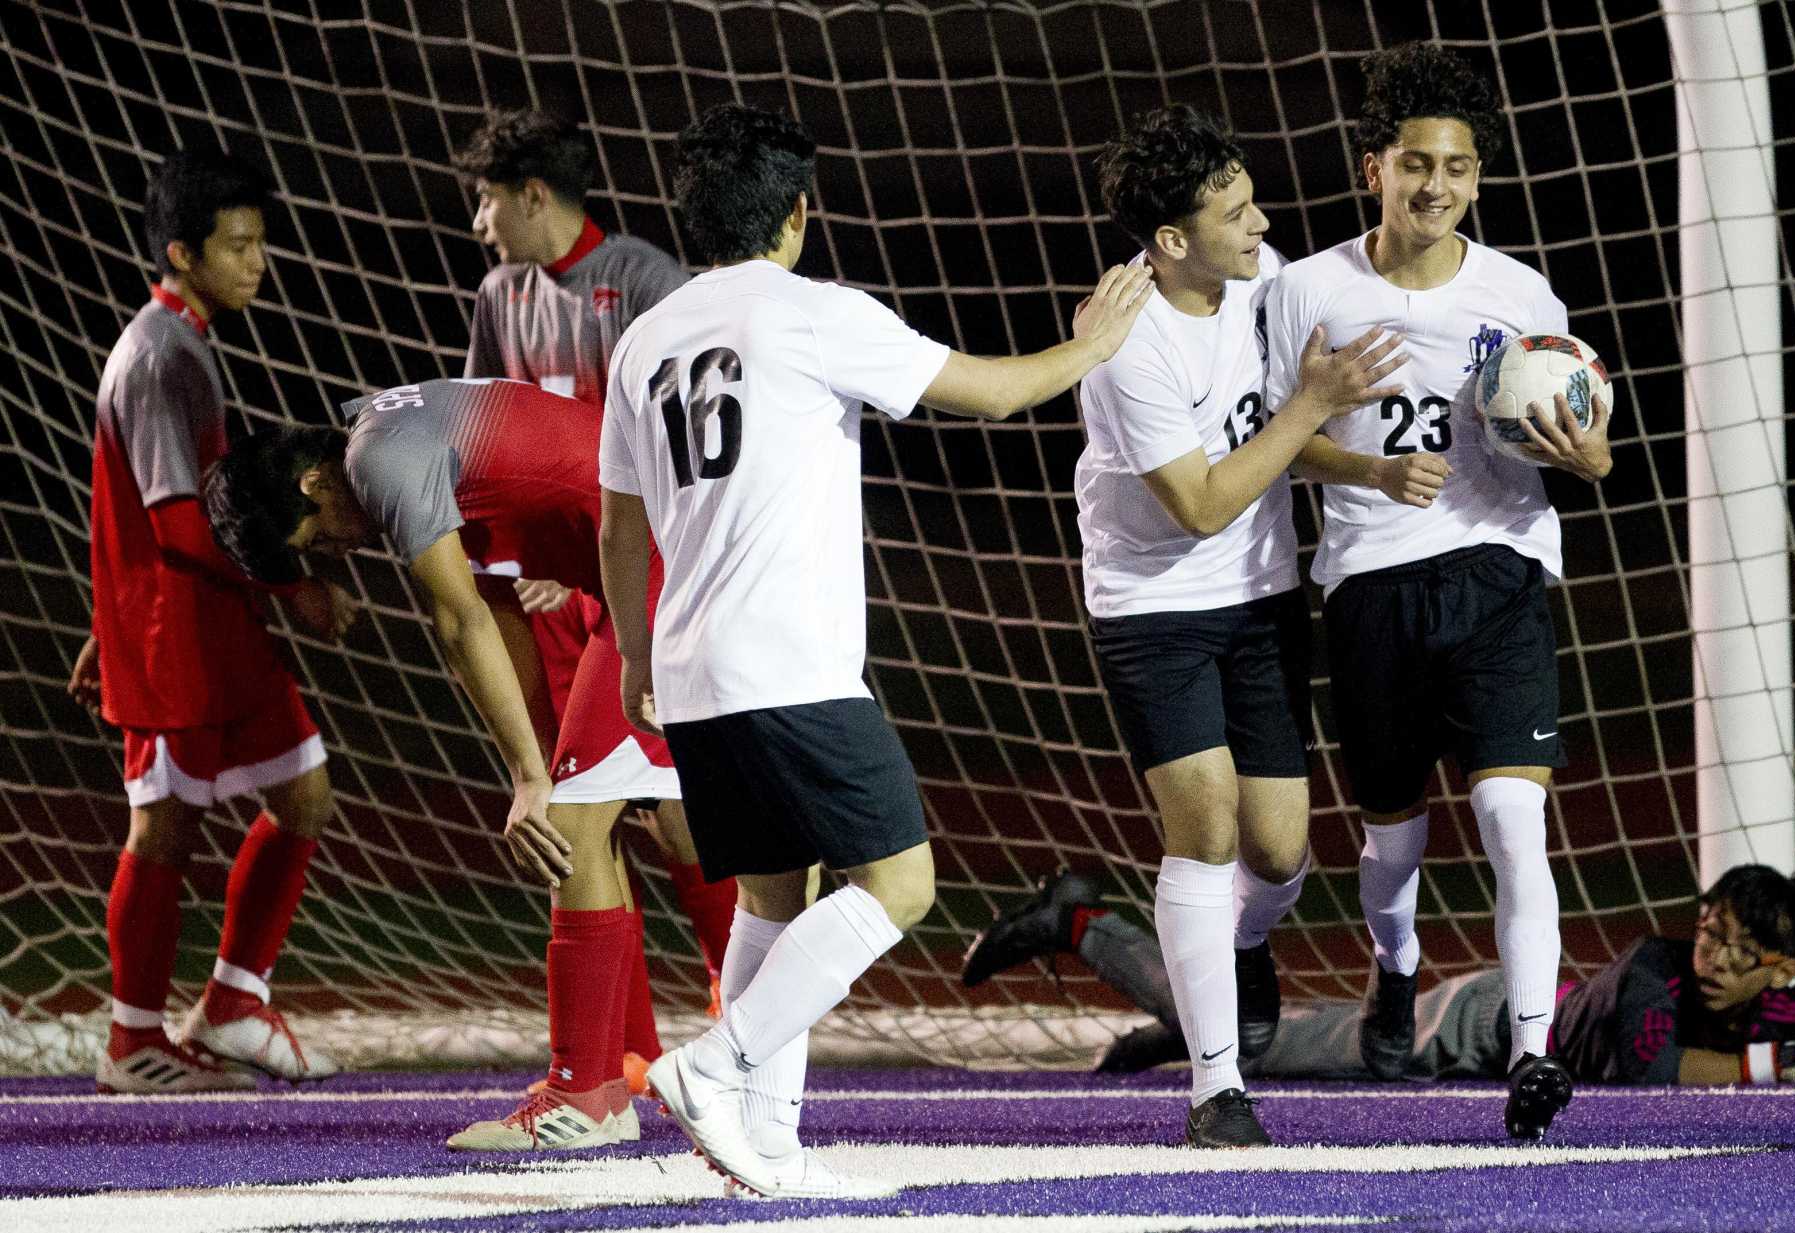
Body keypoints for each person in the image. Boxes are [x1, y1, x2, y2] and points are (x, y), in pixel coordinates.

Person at [598, 103, 1152, 1198]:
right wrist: (1093, 344)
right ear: (797, 217)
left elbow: (619, 527)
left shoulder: (642, 339)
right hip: (789, 665)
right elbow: (990, 394)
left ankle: (763, 1137)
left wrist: (631, 660)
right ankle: (721, 1063)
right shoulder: (812, 313)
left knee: (772, 898)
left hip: (695, 663)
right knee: (899, 885)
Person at [1262, 42, 1617, 1141]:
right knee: (1391, 845)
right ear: (1371, 167)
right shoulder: (1305, 291)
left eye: (1455, 168)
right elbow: (1271, 442)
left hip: (1500, 567)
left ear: (1476, 177)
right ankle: (1395, 961)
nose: (1434, 187)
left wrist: (1584, 458)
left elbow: (1587, 444)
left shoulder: (1518, 296)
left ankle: (1528, 1053)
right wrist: (1365, 466)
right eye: (1413, 164)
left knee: (1515, 819)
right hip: (1370, 582)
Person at [203, 379, 667, 1152]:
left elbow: (459, 618)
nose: (334, 552)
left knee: (590, 824)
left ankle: (591, 1091)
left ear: (312, 481)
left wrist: (530, 776)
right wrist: (539, 759)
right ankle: (606, 1081)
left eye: (315, 537)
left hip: (662, 566)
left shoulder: (380, 460)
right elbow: (496, 602)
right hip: (648, 565)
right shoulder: (395, 435)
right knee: (592, 820)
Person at [1060, 104, 1402, 1147]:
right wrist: (1309, 407)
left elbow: (1284, 443)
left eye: (1253, 202)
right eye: (1234, 212)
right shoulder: (1127, 347)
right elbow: (1202, 503)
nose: (1261, 224)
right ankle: (1216, 1088)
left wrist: (1372, 466)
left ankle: (1198, 946)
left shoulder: (1264, 286)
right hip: (1153, 607)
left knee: (1282, 853)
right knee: (1203, 834)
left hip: (1256, 598)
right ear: (1168, 243)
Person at [454, 107, 737, 1082]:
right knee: (590, 815)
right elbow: (488, 433)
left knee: (663, 813)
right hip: (545, 595)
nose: (479, 223)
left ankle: (739, 1009)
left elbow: (683, 440)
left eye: (488, 201)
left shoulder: (647, 280)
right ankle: (625, 1057)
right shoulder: (500, 292)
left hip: (631, 579)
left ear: (534, 195)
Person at [81, 147, 349, 1094]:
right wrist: (297, 583)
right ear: (180, 252)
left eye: (260, 244)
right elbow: (178, 524)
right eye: (237, 246)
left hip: (206, 624)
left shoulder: (186, 343)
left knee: (305, 793)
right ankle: (131, 1039)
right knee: (161, 829)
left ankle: (234, 999)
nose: (257, 262)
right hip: (175, 637)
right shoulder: (160, 355)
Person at [968, 867, 1795, 1088]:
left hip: (1477, 1024)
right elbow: (1646, 1079)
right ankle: (1085, 919)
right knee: (1244, 1035)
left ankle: (1174, 1034)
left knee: (1243, 1037)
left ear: (1778, 964)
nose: (1714, 956)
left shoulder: (1778, 999)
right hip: (1452, 1030)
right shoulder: (1650, 977)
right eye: (1710, 933)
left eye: (1740, 950)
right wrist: (1791, 1072)